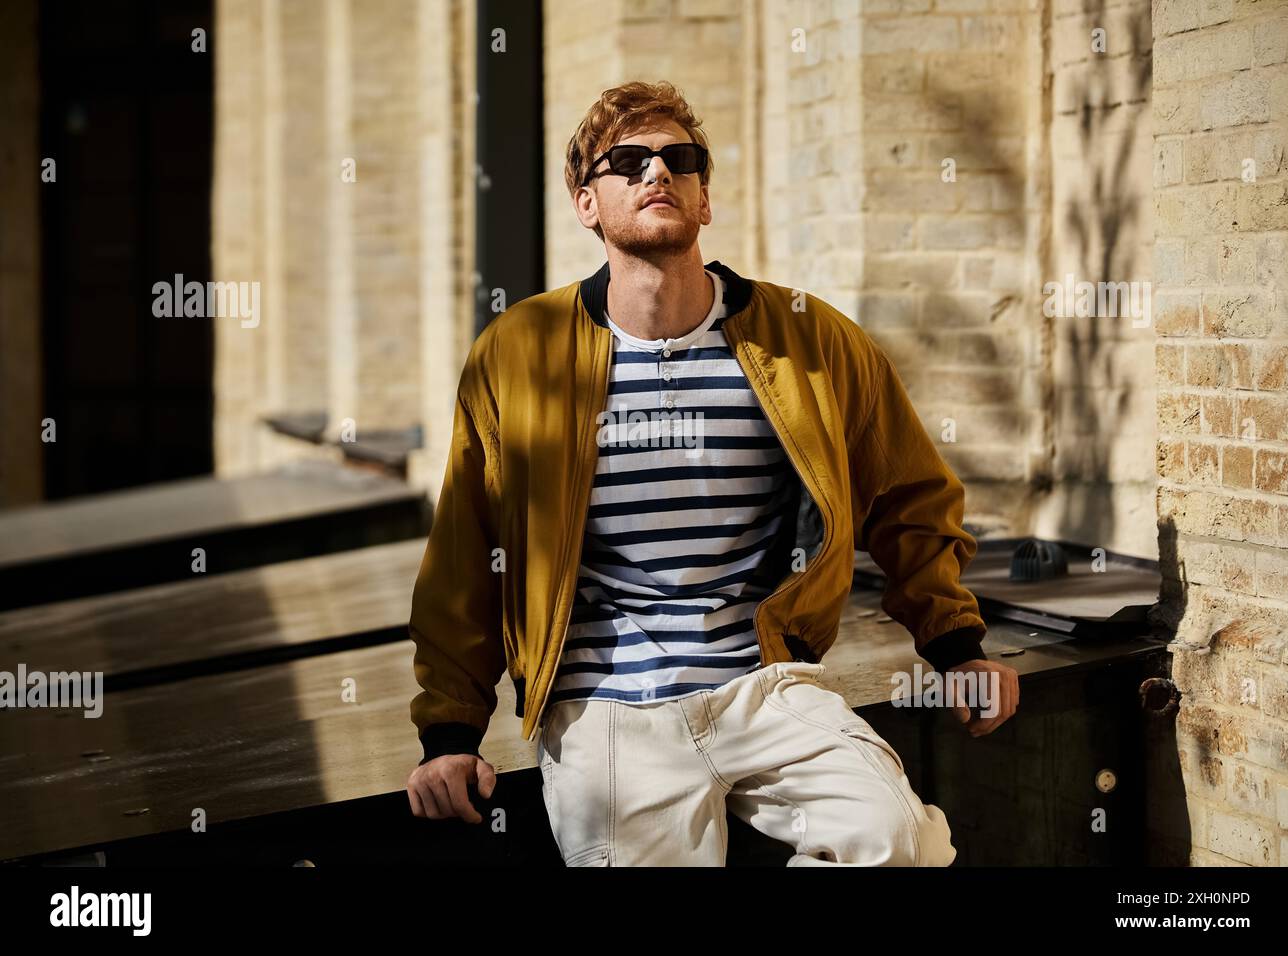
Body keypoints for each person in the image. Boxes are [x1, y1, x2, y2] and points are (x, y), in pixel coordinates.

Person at [405, 80, 1019, 866]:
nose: (656, 173)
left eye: (679, 159)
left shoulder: (807, 340)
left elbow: (910, 498)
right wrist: (450, 732)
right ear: (586, 202)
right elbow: (467, 552)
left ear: (704, 200)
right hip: (607, 706)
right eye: (626, 161)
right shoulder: (519, 351)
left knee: (898, 838)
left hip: (765, 683)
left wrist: (956, 646)